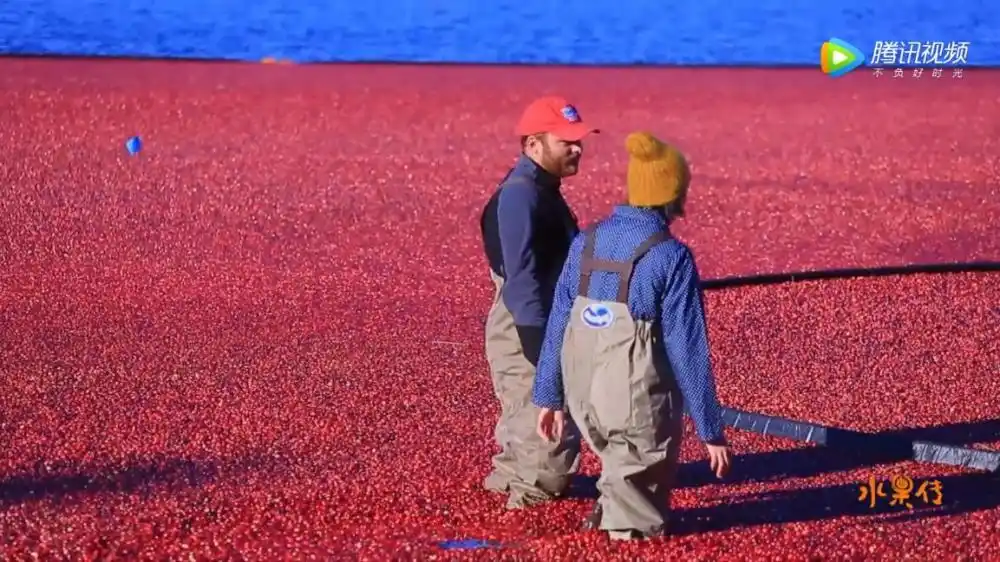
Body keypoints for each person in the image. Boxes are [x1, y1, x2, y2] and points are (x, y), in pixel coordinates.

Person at [531, 131, 734, 539]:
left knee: (613, 449)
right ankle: (622, 527)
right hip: (631, 392)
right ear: (673, 193)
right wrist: (710, 430)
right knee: (643, 470)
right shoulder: (670, 257)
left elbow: (559, 318)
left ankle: (608, 504)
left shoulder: (586, 242)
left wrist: (549, 396)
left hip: (582, 388)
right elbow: (686, 346)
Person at [478, 96, 599, 509]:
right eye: (565, 140)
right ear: (532, 144)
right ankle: (525, 515)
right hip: (525, 326)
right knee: (548, 452)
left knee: (527, 425)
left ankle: (510, 487)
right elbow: (521, 281)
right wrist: (542, 357)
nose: (577, 148)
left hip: (544, 320)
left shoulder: (542, 191)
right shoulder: (520, 197)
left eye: (579, 139)